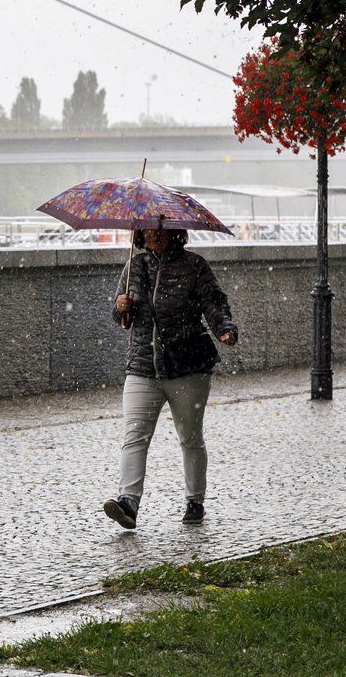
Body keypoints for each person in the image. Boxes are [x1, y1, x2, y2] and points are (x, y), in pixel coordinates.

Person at [103, 227, 238, 529]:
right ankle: (128, 502)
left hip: (188, 366)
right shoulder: (134, 266)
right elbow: (120, 316)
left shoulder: (194, 265)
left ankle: (195, 501)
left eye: (161, 227)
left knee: (190, 437)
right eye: (149, 228)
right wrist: (120, 307)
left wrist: (224, 329)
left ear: (175, 230)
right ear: (140, 232)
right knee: (135, 436)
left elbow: (214, 303)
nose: (155, 233)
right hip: (142, 366)